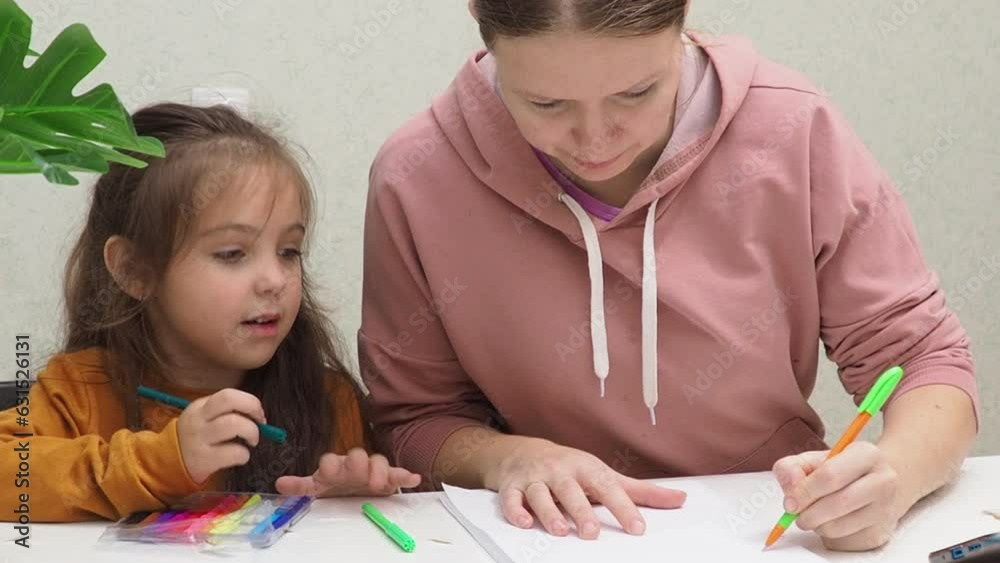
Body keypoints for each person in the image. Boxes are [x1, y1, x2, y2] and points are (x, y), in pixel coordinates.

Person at [359, 0, 979, 551]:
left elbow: (924, 360)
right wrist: (507, 459)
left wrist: (891, 478)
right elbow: (413, 420)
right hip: (556, 540)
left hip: (769, 530)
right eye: (546, 103)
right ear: (479, 17)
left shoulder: (792, 129)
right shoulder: (417, 176)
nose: (595, 140)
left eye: (637, 93)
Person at [0, 103, 419, 522]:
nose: (275, 279)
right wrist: (162, 460)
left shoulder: (328, 400)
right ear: (133, 270)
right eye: (233, 253)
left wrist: (346, 504)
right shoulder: (80, 389)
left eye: (289, 251)